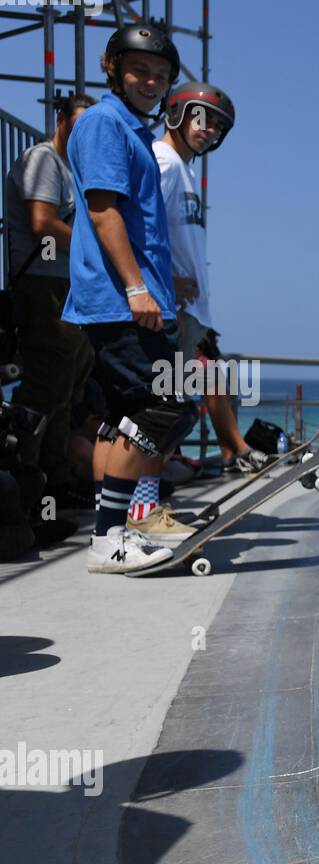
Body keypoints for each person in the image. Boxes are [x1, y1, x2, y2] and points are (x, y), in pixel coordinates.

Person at [63, 21, 190, 573]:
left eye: (160, 76)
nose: (150, 81)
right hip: (118, 298)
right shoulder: (102, 123)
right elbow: (102, 211)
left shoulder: (133, 129)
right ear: (113, 68)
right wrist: (136, 287)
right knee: (167, 404)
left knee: (124, 417)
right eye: (139, 70)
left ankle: (113, 535)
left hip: (139, 297)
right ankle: (110, 534)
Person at [126, 80, 250, 545]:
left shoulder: (182, 169)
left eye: (217, 124)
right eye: (201, 117)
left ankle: (145, 506)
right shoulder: (162, 161)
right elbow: (131, 221)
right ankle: (140, 511)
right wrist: (158, 281)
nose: (209, 129)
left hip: (189, 312)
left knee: (173, 411)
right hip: (167, 304)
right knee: (161, 411)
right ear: (176, 113)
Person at [6, 93, 97, 507]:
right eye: (79, 125)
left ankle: (54, 484)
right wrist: (95, 246)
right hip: (44, 285)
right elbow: (44, 226)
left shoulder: (71, 168)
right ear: (61, 120)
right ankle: (25, 482)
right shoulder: (45, 160)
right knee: (45, 387)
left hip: (65, 285)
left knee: (66, 388)